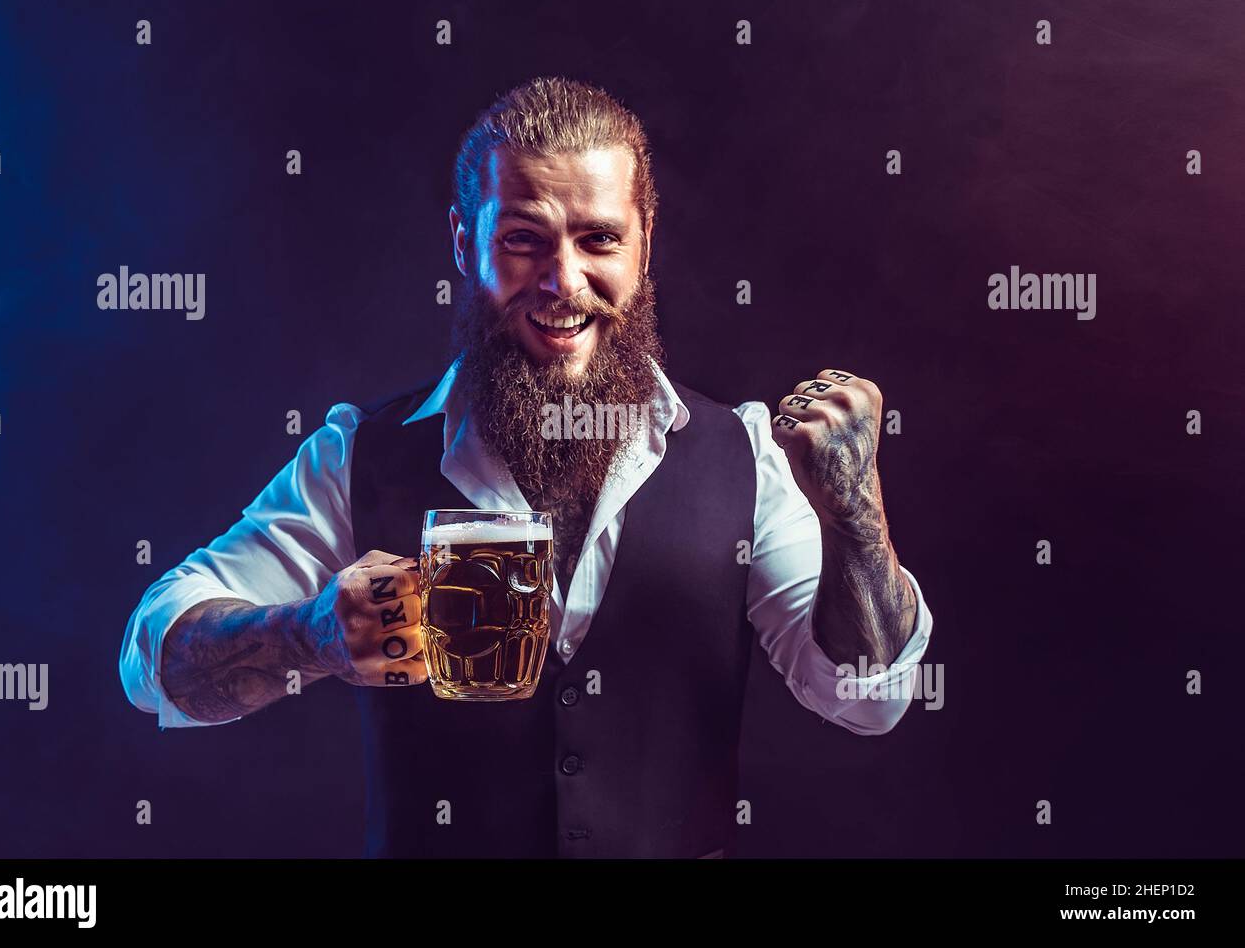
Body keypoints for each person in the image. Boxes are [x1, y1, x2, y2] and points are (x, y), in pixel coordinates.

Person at [119, 76, 935, 858]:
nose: (563, 282)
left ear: (646, 239)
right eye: (522, 240)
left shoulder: (744, 455)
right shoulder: (360, 455)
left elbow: (868, 700)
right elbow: (151, 660)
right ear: (462, 239)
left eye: (600, 239)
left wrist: (854, 510)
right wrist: (305, 634)